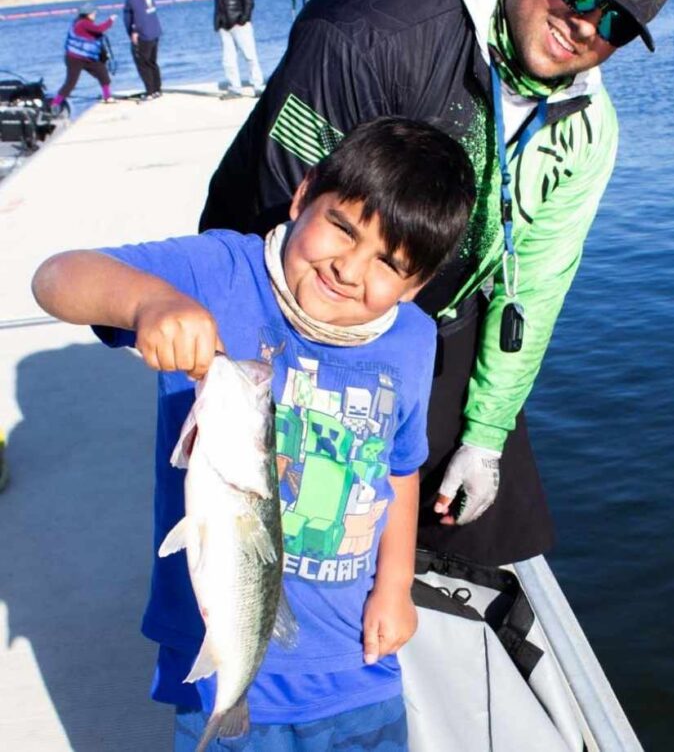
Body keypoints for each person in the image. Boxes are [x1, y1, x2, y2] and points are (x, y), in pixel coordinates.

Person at [199, 0, 674, 566]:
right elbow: (284, 220)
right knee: (296, 526)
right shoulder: (372, 30)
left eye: (616, 22)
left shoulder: (589, 127)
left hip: (435, 312)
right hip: (299, 291)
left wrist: (485, 435)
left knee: (486, 531)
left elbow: (535, 286)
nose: (585, 25)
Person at [32, 116, 476, 752]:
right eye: (342, 228)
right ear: (303, 196)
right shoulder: (220, 273)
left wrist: (395, 585)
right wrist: (150, 303)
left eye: (387, 263)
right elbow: (57, 277)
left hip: (355, 659)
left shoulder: (412, 339)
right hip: (222, 660)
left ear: (419, 284)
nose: (348, 268)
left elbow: (398, 469)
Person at [206, 0, 264, 98]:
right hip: (224, 26)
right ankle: (235, 88)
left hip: (240, 25)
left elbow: (249, 2)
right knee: (228, 60)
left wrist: (242, 20)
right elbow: (218, 3)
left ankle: (258, 86)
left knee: (250, 56)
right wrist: (218, 22)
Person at [50, 8, 116, 110]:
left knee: (102, 72)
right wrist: (110, 20)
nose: (94, 15)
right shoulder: (83, 23)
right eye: (93, 13)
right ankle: (55, 103)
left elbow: (94, 35)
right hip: (74, 59)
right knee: (70, 83)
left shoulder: (84, 24)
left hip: (87, 58)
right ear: (87, 14)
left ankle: (107, 96)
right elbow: (100, 29)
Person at [116, 0, 163, 100]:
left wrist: (135, 31)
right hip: (154, 30)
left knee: (143, 63)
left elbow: (139, 14)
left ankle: (150, 91)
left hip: (144, 33)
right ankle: (157, 89)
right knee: (152, 62)